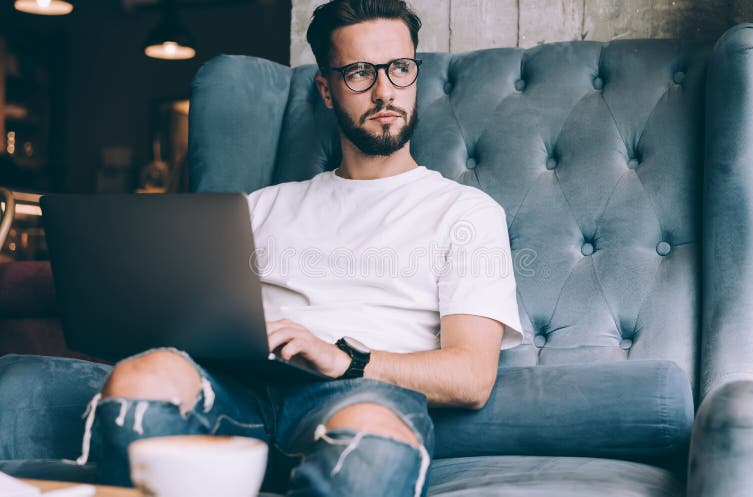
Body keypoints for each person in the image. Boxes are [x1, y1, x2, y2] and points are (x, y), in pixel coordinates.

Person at [0, 1, 524, 496]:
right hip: (239, 387)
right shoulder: (259, 207)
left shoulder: (465, 213)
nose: (384, 91)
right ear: (326, 90)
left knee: (370, 442)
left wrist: (344, 360)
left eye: (400, 69)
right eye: (360, 73)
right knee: (142, 376)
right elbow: (189, 316)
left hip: (360, 393)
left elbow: (470, 376)